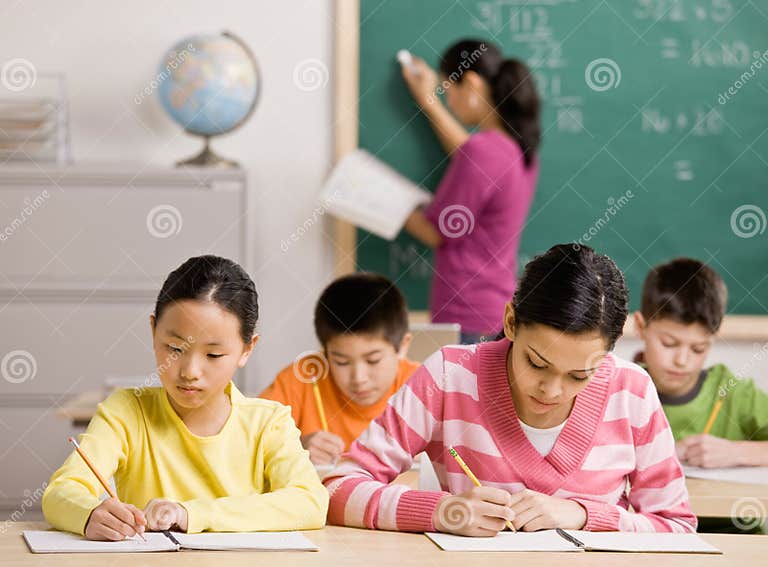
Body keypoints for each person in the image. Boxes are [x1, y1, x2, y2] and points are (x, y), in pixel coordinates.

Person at [324, 244, 696, 535]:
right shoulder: (450, 375)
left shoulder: (631, 390)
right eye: (537, 363)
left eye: (579, 375)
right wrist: (442, 511)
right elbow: (336, 491)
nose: (552, 390)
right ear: (511, 322)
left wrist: (582, 515)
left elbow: (677, 526)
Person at [43, 255, 328, 539]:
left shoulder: (268, 422)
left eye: (213, 355)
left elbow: (310, 503)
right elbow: (60, 493)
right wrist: (89, 513)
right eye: (174, 348)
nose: (190, 372)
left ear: (247, 349)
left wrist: (190, 514)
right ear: (153, 331)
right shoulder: (128, 411)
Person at [399, 39, 541, 344]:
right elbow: (470, 158)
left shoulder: (483, 152)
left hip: (464, 314)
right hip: (494, 308)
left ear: (472, 83)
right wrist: (429, 102)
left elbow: (436, 232)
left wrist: (382, 201)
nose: (448, 100)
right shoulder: (515, 149)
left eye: (448, 90)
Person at [262, 273, 418, 464]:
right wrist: (294, 448)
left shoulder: (422, 388)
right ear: (325, 353)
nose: (358, 378)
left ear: (403, 346)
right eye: (342, 362)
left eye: (373, 360)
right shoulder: (301, 378)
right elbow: (244, 443)